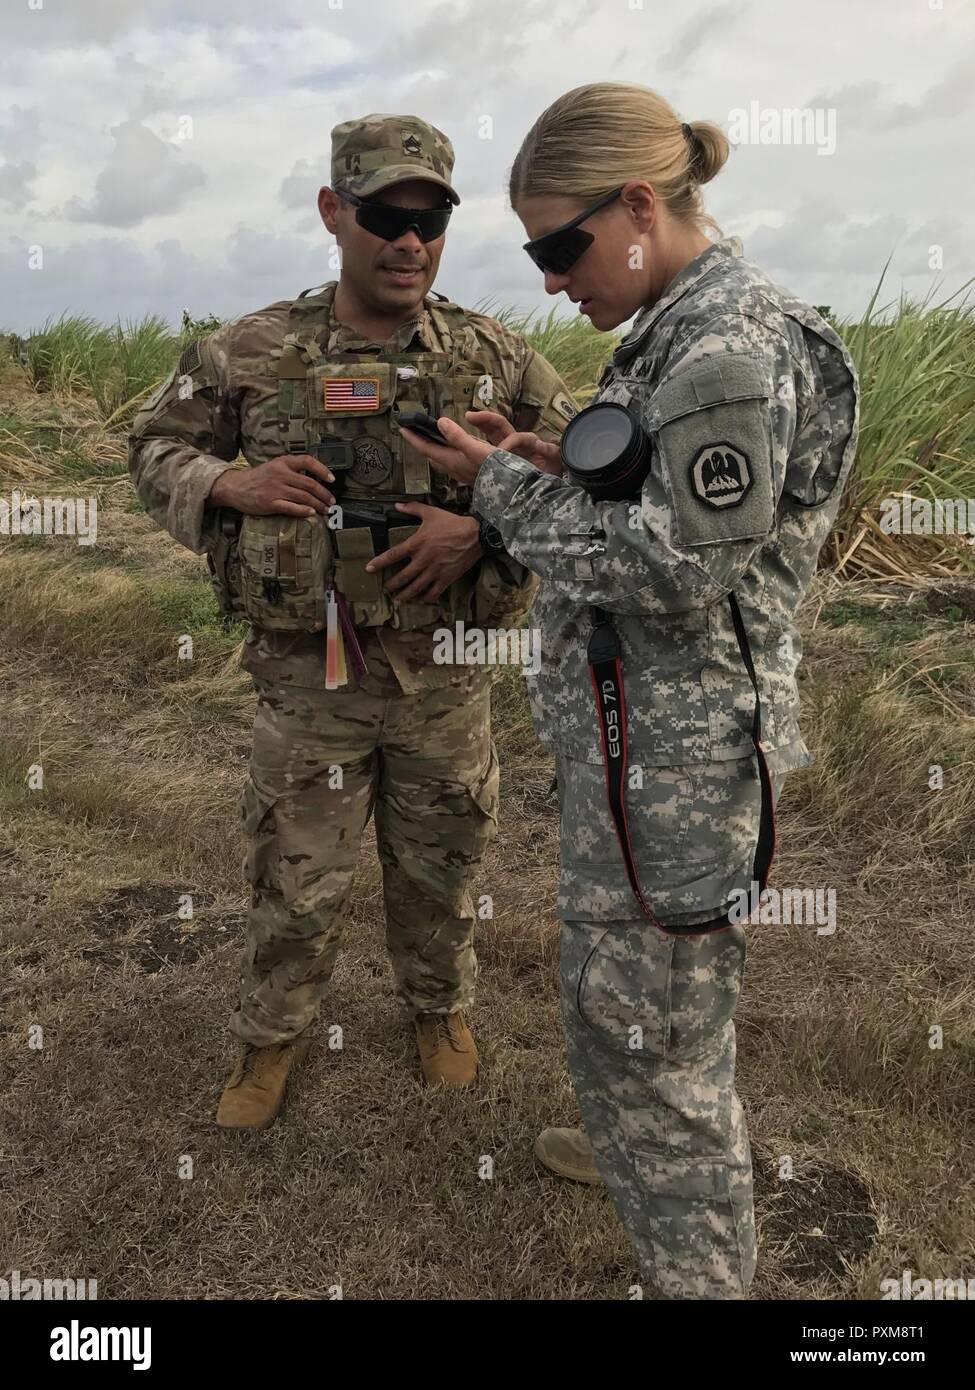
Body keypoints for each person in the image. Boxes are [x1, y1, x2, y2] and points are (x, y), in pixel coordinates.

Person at [397, 82, 859, 1299]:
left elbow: (668, 566)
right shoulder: (676, 332)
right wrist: (556, 464)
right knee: (627, 1009)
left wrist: (501, 488)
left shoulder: (726, 346)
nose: (553, 280)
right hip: (637, 746)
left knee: (659, 1038)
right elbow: (663, 508)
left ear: (641, 205)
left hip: (680, 764)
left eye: (564, 245)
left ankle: (691, 1246)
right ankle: (630, 1147)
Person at [128, 114, 577, 1130]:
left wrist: (482, 536)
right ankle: (273, 1037)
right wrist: (231, 481)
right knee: (295, 871)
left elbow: (580, 482)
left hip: (445, 674)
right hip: (307, 677)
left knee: (444, 863)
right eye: (386, 215)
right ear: (336, 213)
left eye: (431, 219)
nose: (409, 240)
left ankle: (438, 1013)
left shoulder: (494, 357)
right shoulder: (246, 351)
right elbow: (153, 450)